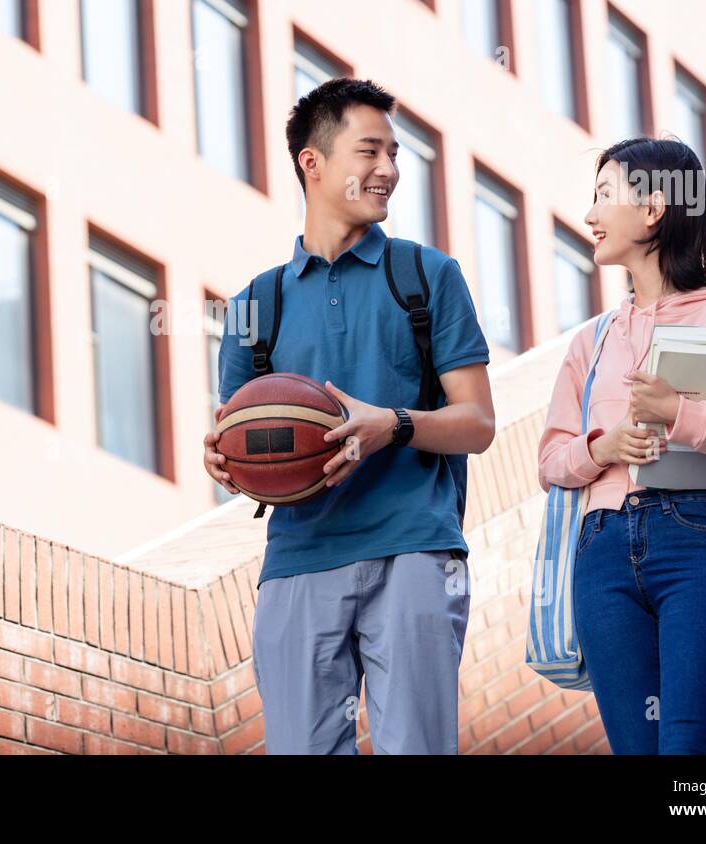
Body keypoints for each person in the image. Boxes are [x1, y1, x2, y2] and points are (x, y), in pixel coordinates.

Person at [203, 78, 495, 754]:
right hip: (298, 559)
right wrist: (222, 462)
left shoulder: (428, 275)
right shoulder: (253, 305)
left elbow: (478, 423)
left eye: (394, 154)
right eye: (370, 151)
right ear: (313, 162)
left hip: (414, 549)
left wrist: (393, 425)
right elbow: (238, 442)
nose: (389, 169)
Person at [538, 136, 706, 754]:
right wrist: (604, 448)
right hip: (602, 556)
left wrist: (680, 415)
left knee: (685, 751)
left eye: (605, 195)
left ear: (654, 209)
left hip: (699, 545)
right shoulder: (591, 342)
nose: (590, 214)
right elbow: (551, 461)